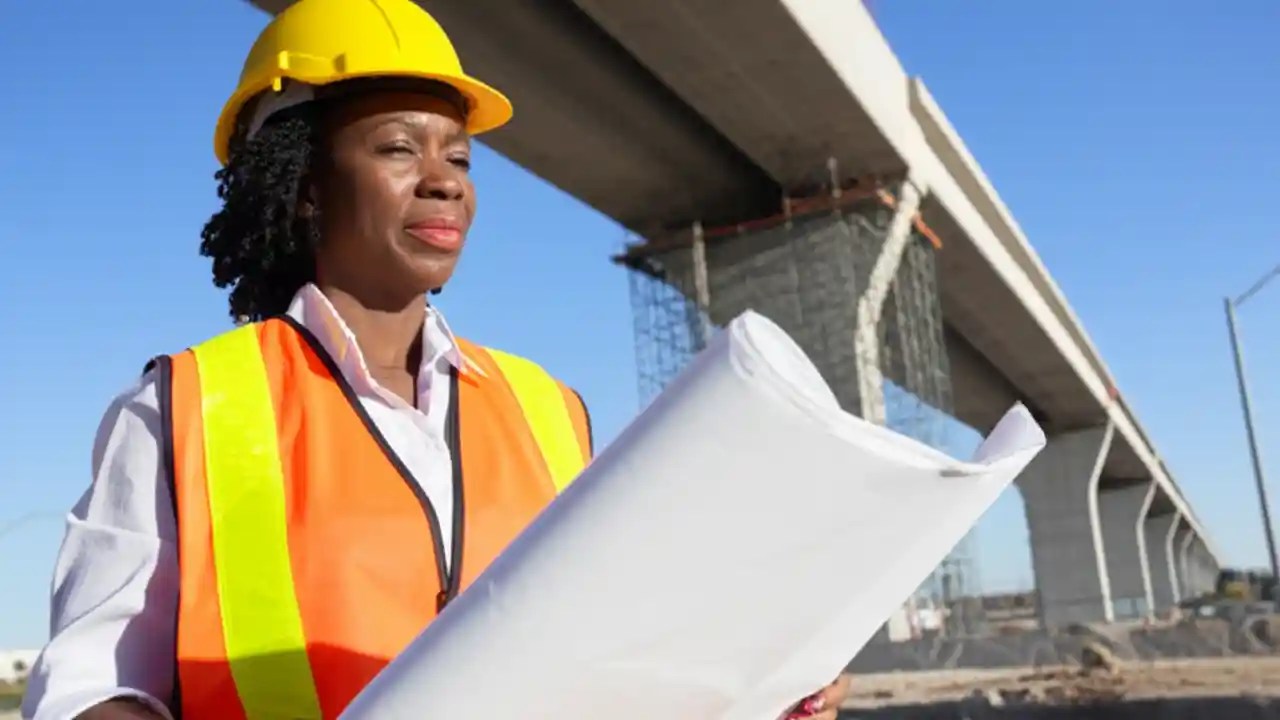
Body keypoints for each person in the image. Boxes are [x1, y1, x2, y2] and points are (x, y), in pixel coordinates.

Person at [21, 0, 851, 718]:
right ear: (303, 181)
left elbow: (612, 662)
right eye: (397, 149)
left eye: (457, 156)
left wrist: (763, 690)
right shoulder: (186, 407)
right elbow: (88, 692)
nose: (444, 181)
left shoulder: (549, 411)